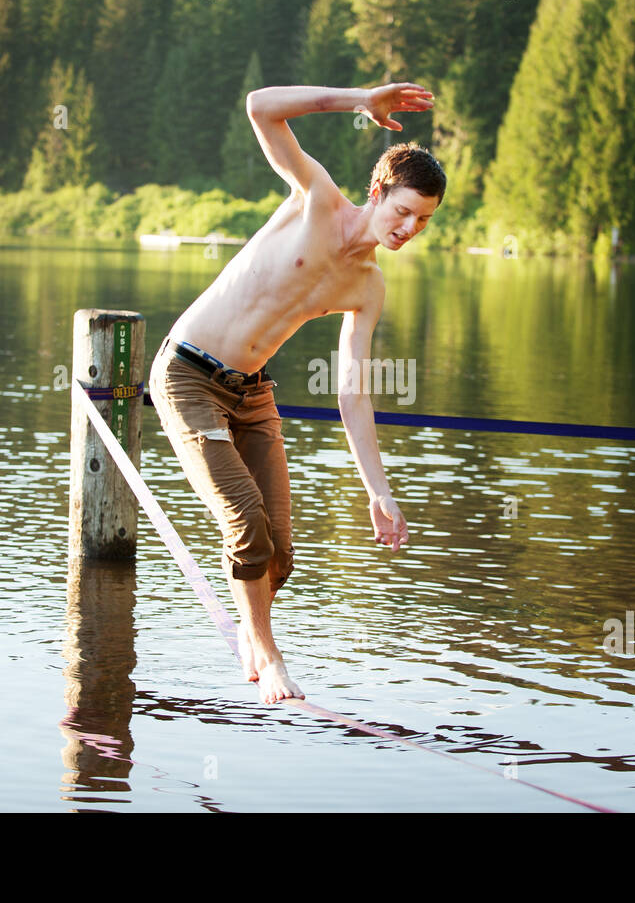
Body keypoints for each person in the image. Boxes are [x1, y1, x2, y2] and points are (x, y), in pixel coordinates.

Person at [148, 82, 445, 704]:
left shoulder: (368, 287)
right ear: (377, 193)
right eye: (402, 211)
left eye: (422, 219)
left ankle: (256, 642)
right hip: (187, 373)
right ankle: (267, 656)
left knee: (279, 556)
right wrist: (360, 99)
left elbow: (352, 395)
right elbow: (258, 104)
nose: (409, 227)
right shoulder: (316, 199)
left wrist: (378, 490)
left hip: (250, 394)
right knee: (246, 526)